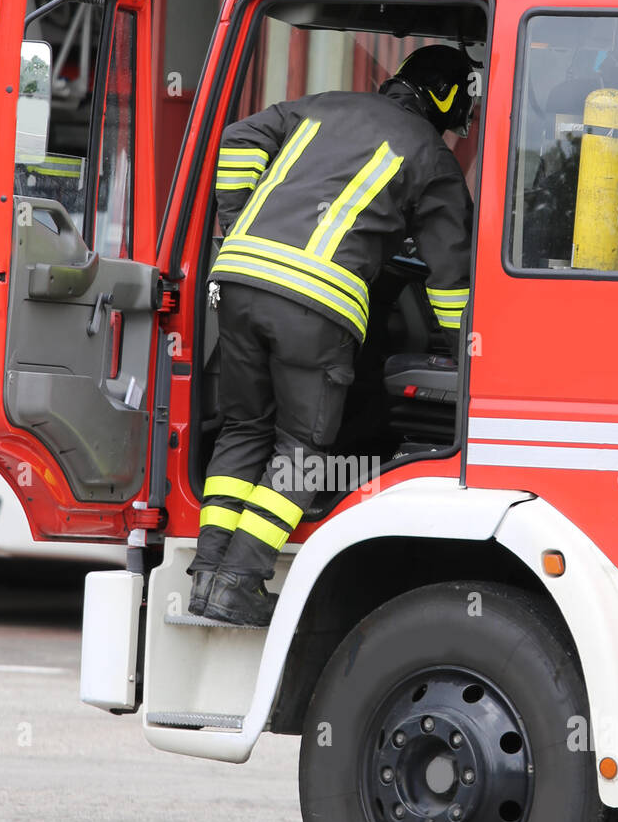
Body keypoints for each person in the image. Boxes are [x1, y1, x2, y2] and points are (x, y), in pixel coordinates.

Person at [189, 44, 475, 626]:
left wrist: (237, 223)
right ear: (445, 99)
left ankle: (205, 576)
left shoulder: (325, 106)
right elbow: (450, 281)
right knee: (302, 450)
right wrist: (463, 353)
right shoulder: (431, 158)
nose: (461, 127)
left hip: (240, 283)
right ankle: (239, 582)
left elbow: (240, 137)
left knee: (245, 428)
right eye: (462, 111)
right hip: (315, 307)